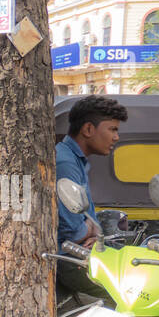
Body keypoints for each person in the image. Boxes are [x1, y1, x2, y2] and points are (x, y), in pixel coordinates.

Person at [57, 95, 127, 247]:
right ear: (88, 129)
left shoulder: (77, 160)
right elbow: (72, 232)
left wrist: (93, 232)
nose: (116, 137)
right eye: (112, 129)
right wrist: (90, 226)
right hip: (65, 262)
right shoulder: (65, 163)